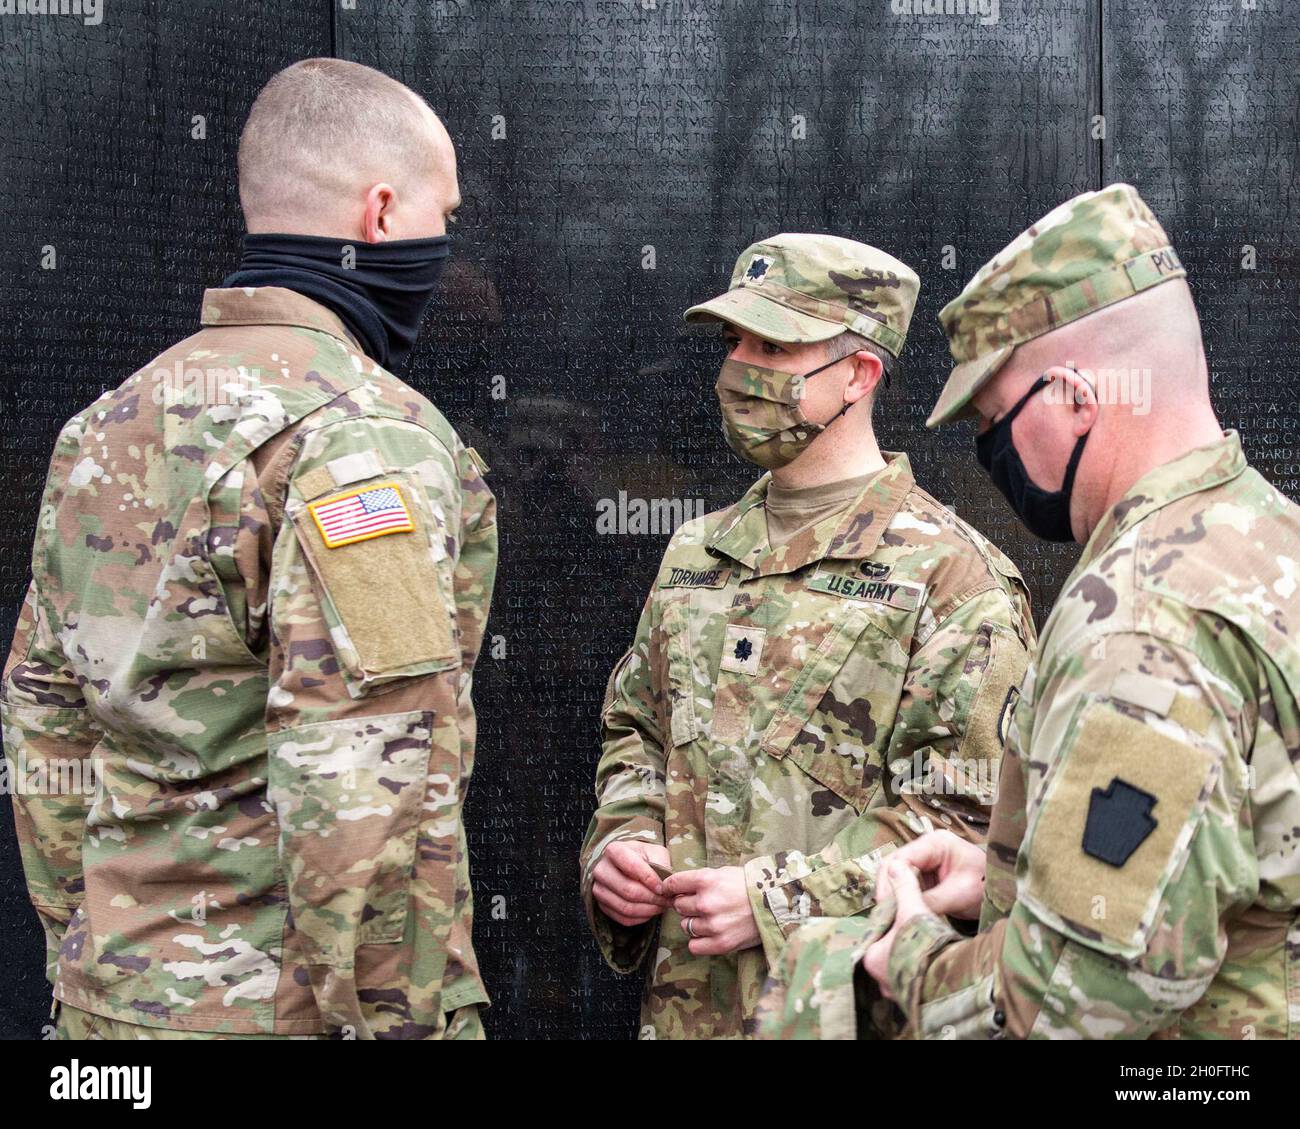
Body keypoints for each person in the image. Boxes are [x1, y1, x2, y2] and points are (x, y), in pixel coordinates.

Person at [1, 58, 496, 1040]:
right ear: (382, 211)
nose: (445, 244)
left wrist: (95, 946)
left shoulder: (105, 424)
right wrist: (393, 1022)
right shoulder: (361, 432)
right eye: (441, 216)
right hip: (284, 1013)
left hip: (109, 1008)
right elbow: (362, 769)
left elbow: (43, 720)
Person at [759, 183, 1300, 1040]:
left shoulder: (1143, 616)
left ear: (1074, 397)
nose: (990, 452)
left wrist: (909, 954)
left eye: (992, 418)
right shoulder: (1269, 537)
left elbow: (1077, 996)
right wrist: (1010, 874)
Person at [580, 234, 1035, 1038]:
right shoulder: (695, 555)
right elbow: (637, 734)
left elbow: (968, 828)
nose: (738, 369)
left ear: (858, 375)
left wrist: (773, 899)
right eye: (734, 341)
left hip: (842, 1014)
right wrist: (623, 843)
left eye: (774, 345)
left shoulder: (949, 577)